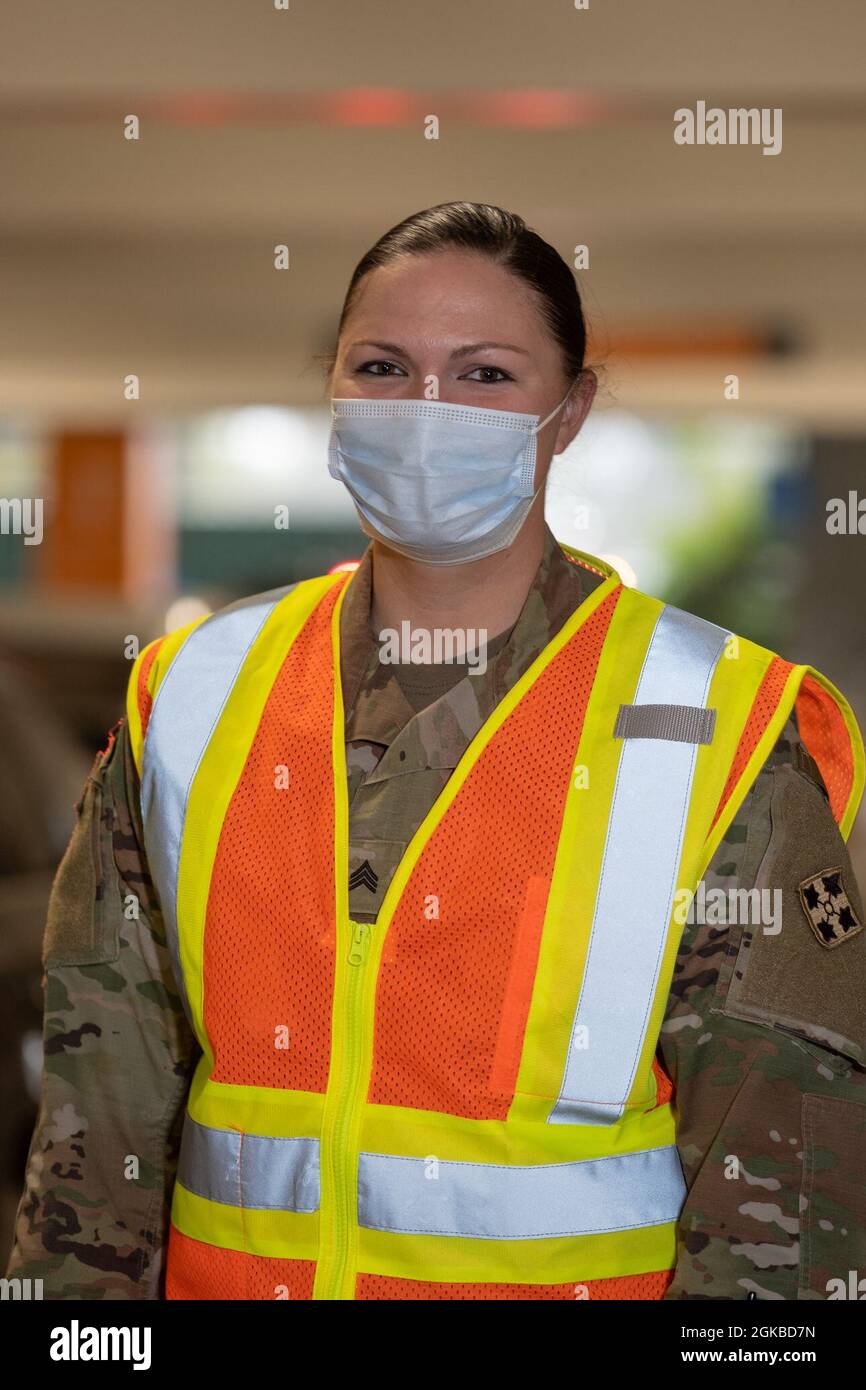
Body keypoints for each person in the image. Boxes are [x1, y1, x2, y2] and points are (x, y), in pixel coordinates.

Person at [7, 202, 866, 1302]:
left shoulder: (714, 724)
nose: (425, 412)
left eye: (485, 375)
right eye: (381, 366)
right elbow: (99, 1124)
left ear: (571, 411)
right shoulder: (192, 698)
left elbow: (784, 1201)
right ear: (334, 390)